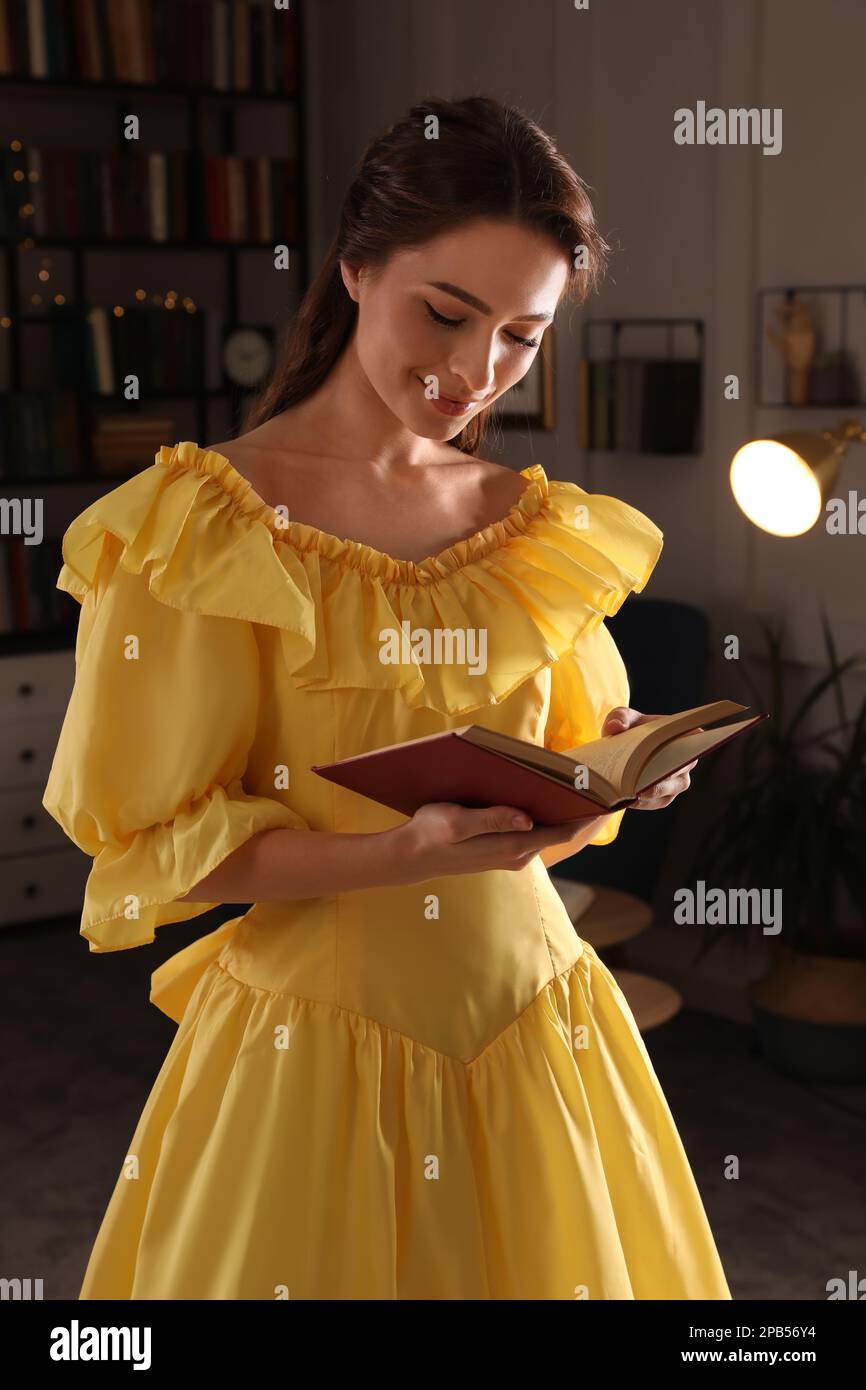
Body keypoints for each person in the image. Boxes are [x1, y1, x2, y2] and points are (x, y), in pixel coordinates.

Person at [42, 95, 729, 1300]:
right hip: (313, 1058)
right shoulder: (202, 529)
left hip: (539, 1026)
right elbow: (160, 847)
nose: (475, 371)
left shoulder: (530, 526)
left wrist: (620, 765)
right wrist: (404, 853)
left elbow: (568, 775)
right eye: (447, 314)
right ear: (356, 269)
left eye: (520, 335)